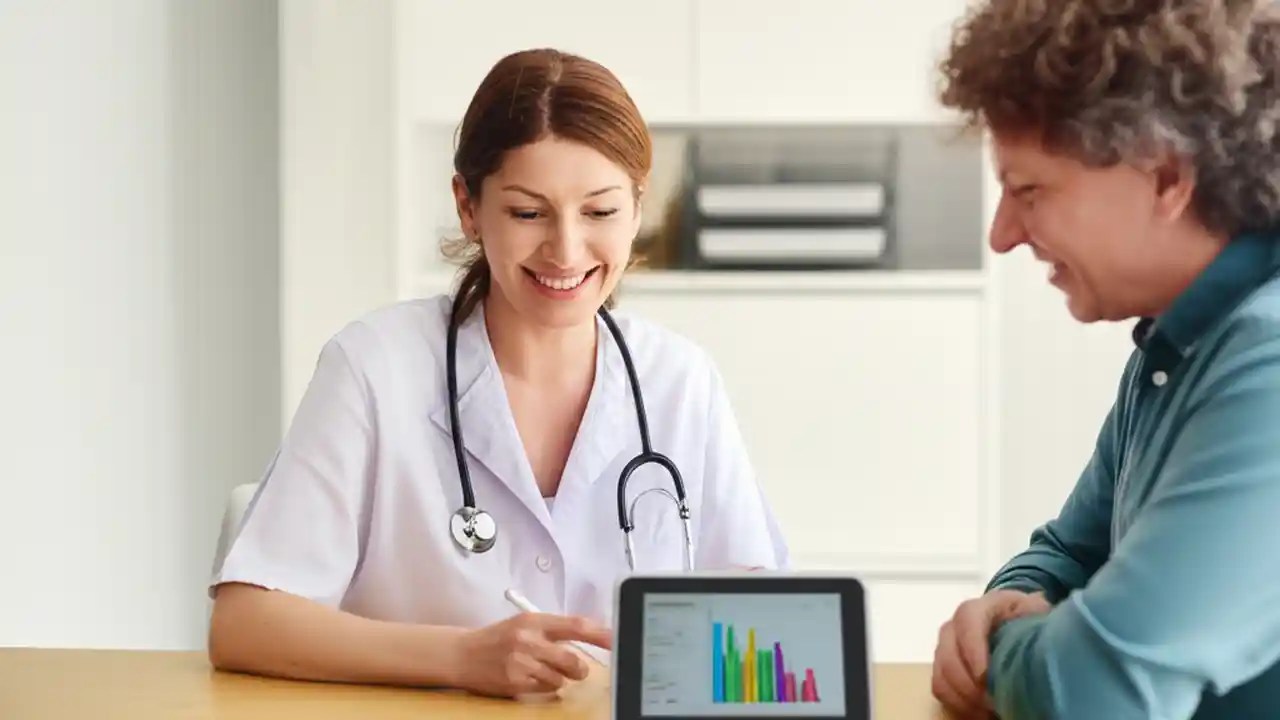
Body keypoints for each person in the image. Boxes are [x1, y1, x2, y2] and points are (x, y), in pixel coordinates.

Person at [207, 48, 788, 699]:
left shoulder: (681, 381)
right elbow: (246, 622)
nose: (566, 251)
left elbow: (766, 635)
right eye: (527, 212)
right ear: (468, 206)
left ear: (636, 208)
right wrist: (461, 656)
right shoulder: (375, 368)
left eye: (599, 213)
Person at [928, 1, 1280, 718]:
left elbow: (1095, 688)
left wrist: (1011, 649)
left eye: (1029, 191)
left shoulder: (1266, 362)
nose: (1002, 235)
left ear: (1165, 179)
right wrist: (1002, 607)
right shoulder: (1180, 340)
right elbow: (1069, 552)